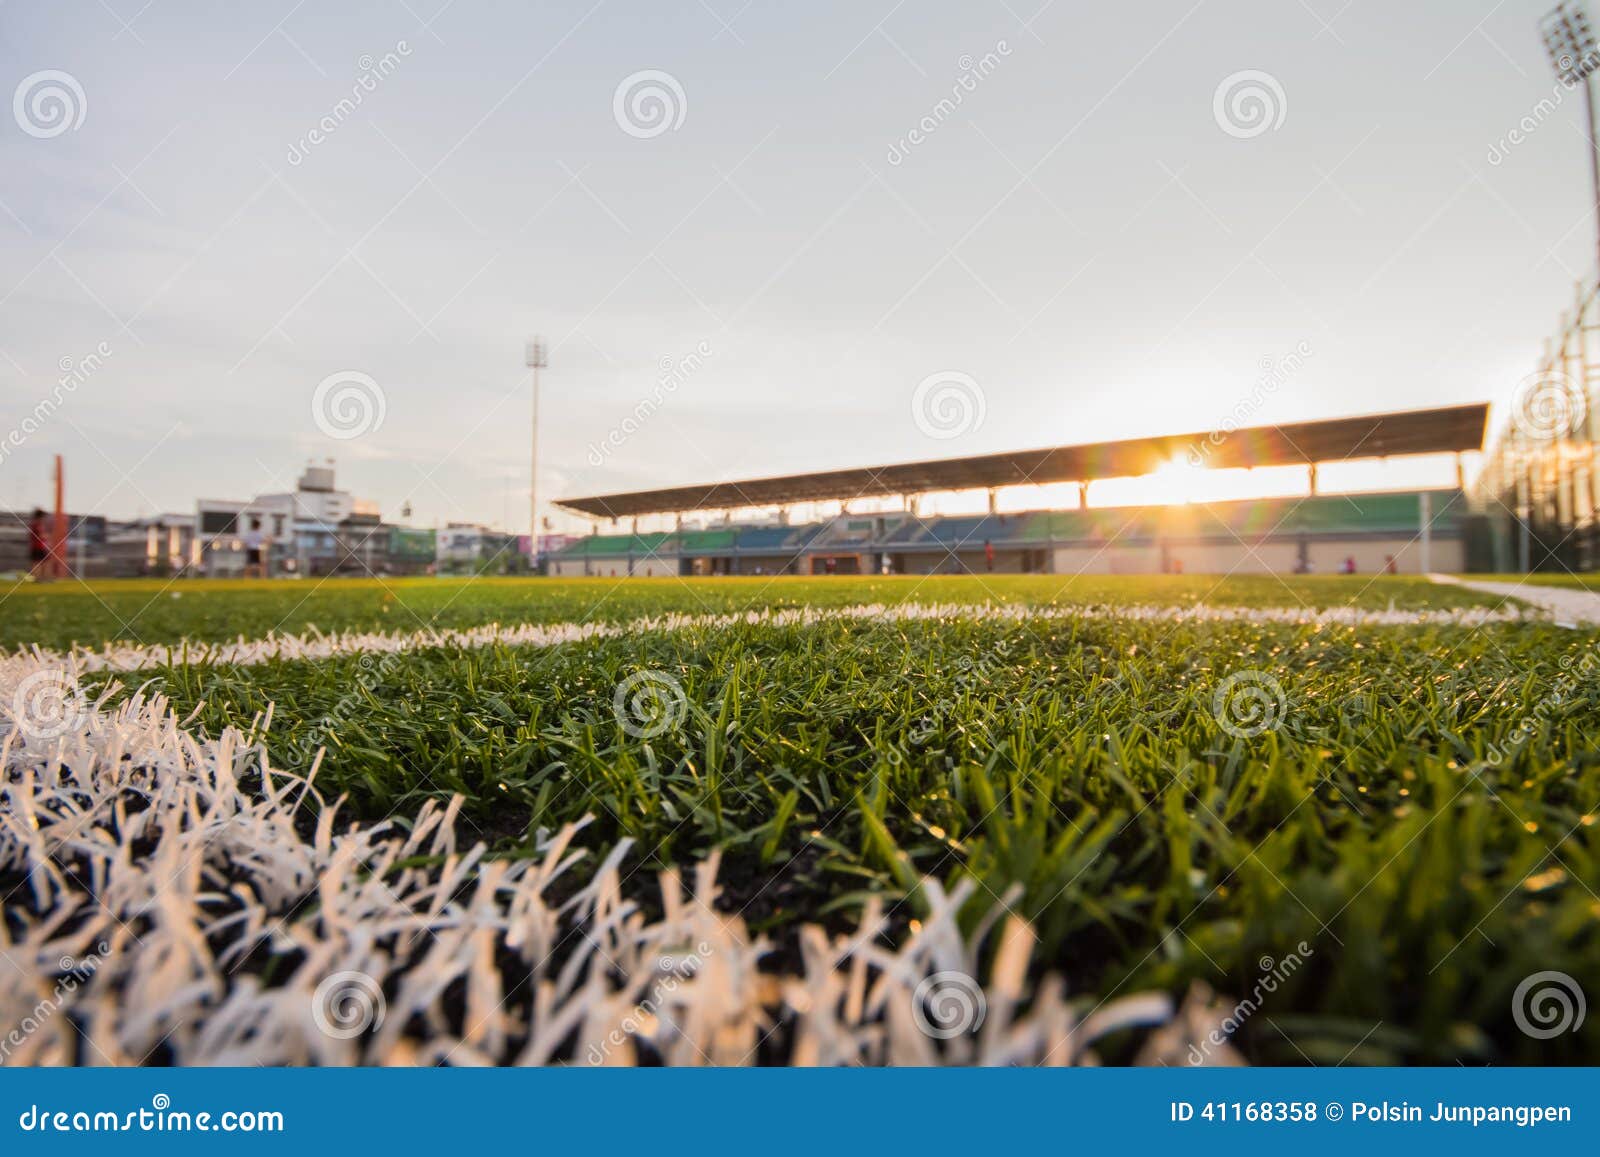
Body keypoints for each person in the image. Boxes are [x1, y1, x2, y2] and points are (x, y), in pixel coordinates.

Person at [27, 508, 50, 580]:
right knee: (43, 563)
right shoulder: (38, 524)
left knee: (36, 563)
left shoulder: (34, 524)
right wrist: (47, 536)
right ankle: (42, 577)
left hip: (35, 546)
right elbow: (40, 535)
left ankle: (38, 577)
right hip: (39, 546)